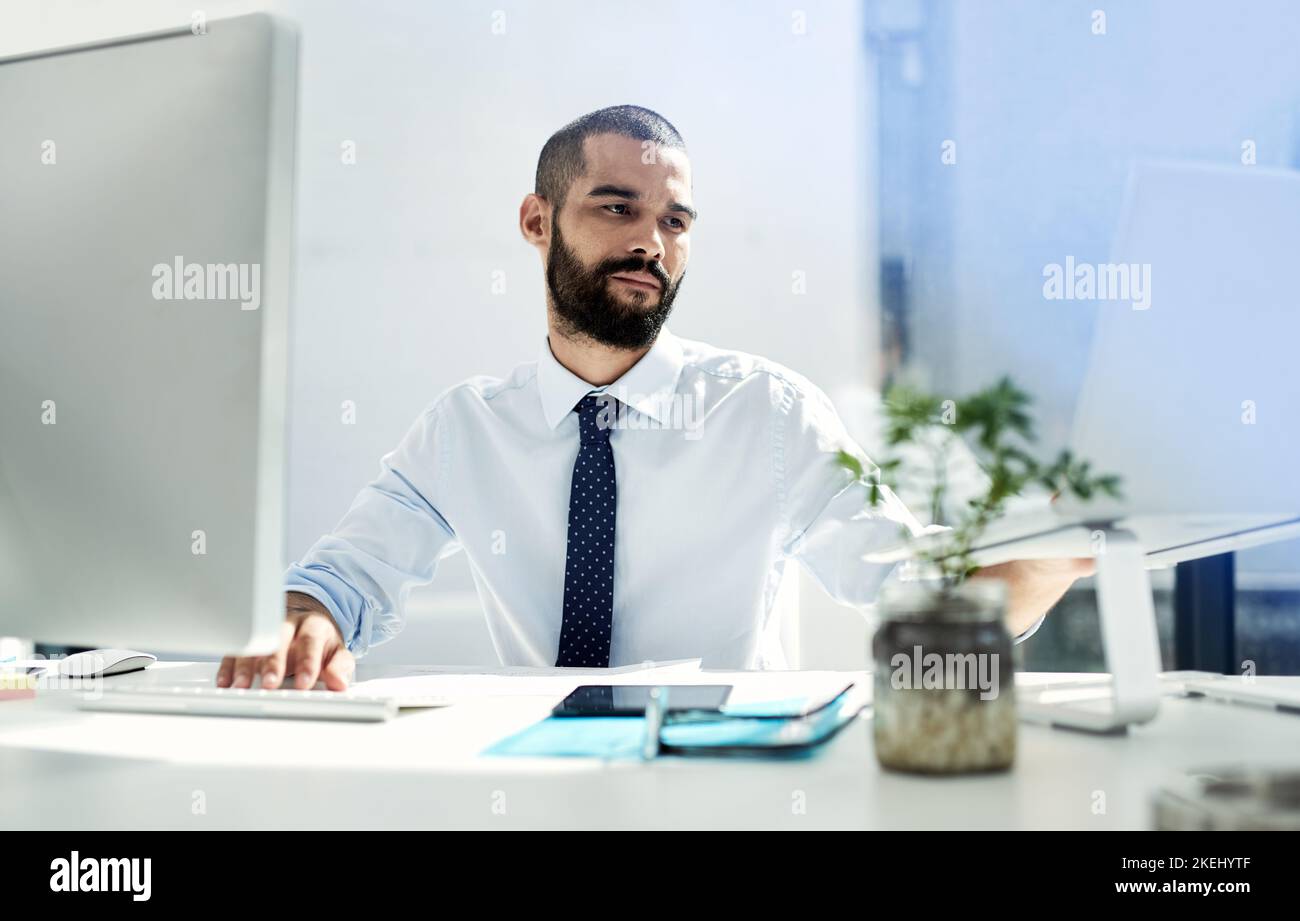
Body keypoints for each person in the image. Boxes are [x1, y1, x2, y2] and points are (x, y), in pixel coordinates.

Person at [217, 105, 1091, 691]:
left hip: (726, 802)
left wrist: (1062, 546)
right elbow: (342, 579)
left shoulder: (769, 415)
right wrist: (307, 621)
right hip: (533, 797)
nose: (651, 242)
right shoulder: (466, 429)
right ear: (536, 220)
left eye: (674, 221)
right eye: (615, 207)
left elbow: (921, 597)